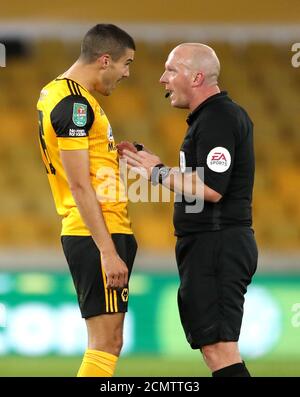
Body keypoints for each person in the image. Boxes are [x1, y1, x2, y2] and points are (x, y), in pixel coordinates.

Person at [119, 43, 258, 377]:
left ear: (197, 77)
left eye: (171, 70)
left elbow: (211, 188)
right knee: (215, 351)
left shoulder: (218, 117)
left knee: (221, 350)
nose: (162, 78)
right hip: (208, 246)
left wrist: (158, 172)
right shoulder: (209, 119)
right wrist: (153, 168)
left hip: (217, 244)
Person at [37, 24, 137, 377]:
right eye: (126, 64)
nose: (126, 73)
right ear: (105, 60)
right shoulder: (75, 104)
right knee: (105, 344)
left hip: (97, 231)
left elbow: (85, 167)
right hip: (99, 232)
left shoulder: (55, 93)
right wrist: (108, 251)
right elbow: (79, 185)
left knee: (108, 342)